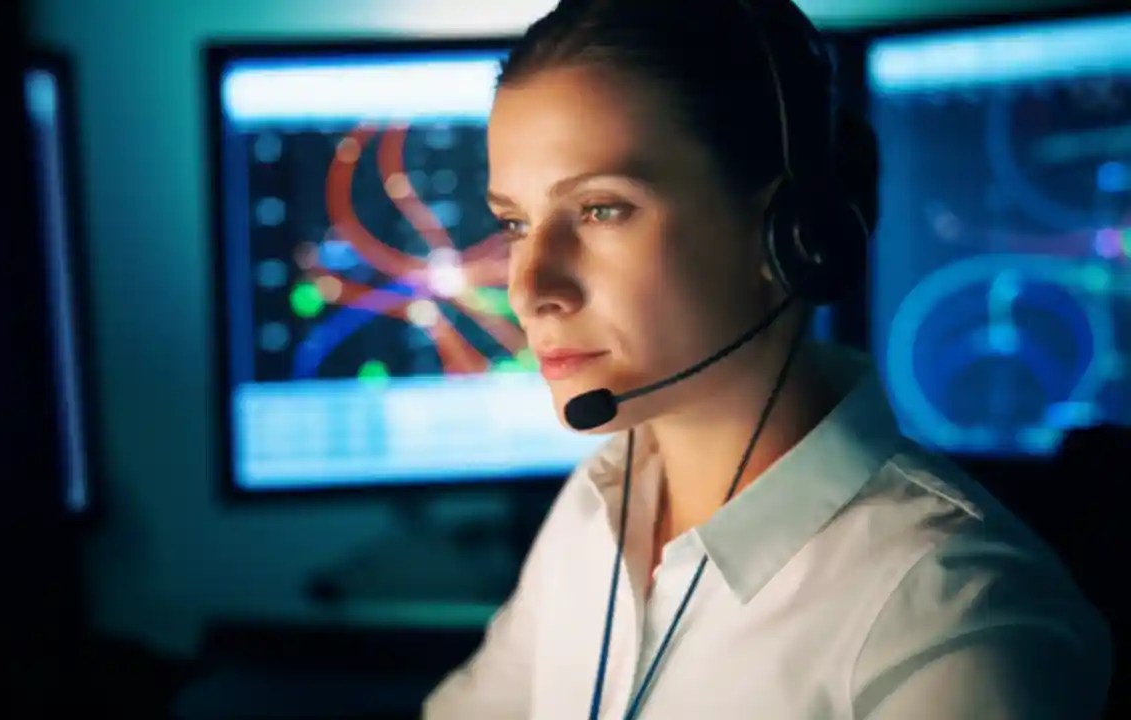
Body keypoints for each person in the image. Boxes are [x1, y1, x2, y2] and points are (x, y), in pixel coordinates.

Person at [423, 0, 1112, 718]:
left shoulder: (956, 628)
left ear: (790, 234)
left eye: (601, 209)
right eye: (515, 224)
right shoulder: (600, 505)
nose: (530, 289)